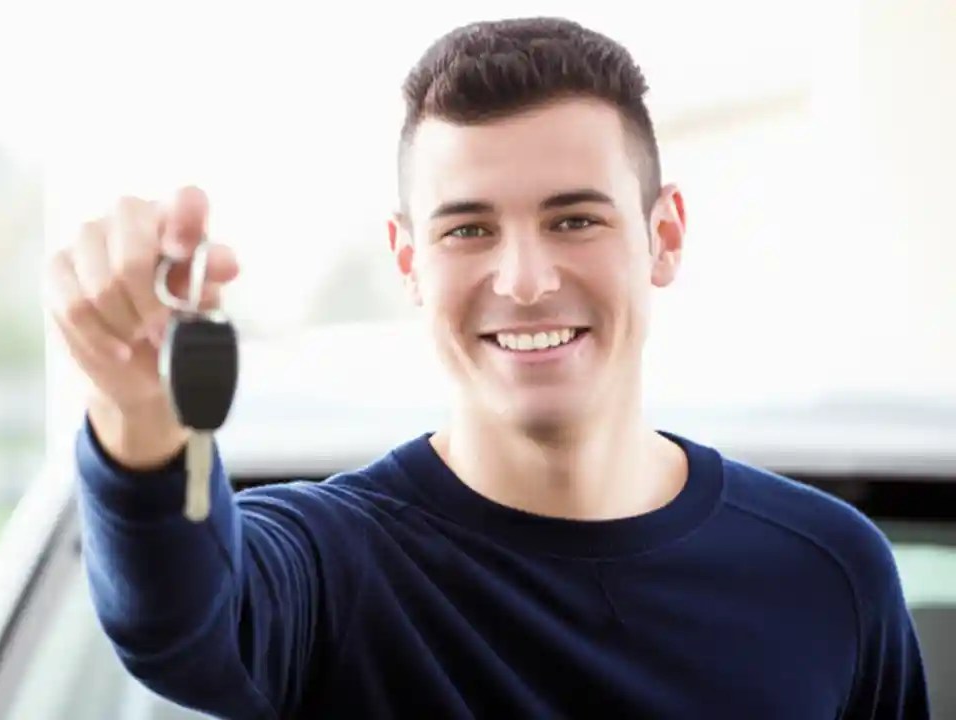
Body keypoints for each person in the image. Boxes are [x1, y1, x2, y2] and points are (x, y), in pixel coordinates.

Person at [45, 16, 931, 719]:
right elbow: (178, 623)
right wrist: (137, 414)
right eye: (468, 229)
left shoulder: (829, 575)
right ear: (409, 263)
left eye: (574, 220)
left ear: (662, 237)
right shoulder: (329, 569)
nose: (525, 279)